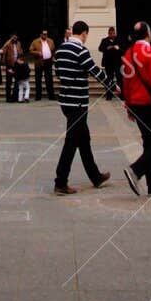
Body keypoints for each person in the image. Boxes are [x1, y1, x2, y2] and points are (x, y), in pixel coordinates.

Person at [52, 21, 112, 195]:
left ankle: (95, 176)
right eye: (87, 34)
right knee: (71, 142)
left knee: (83, 139)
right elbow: (94, 70)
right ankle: (60, 181)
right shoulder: (81, 50)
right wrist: (112, 85)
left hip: (65, 100)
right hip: (78, 102)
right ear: (84, 33)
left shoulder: (61, 49)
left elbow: (57, 71)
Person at [119, 22, 151, 196]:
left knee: (149, 144)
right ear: (148, 35)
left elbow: (125, 83)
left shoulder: (129, 53)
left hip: (136, 105)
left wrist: (128, 105)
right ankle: (136, 170)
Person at [98, 26, 124, 100]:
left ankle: (122, 95)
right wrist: (106, 48)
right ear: (108, 33)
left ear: (115, 33)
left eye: (113, 33)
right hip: (108, 64)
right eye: (111, 33)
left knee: (120, 78)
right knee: (109, 79)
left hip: (118, 63)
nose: (112, 35)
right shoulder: (104, 40)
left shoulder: (119, 40)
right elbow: (100, 48)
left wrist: (118, 48)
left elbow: (123, 51)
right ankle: (109, 95)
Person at [33, 30, 55, 101]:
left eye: (46, 34)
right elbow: (31, 50)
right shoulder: (35, 41)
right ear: (41, 35)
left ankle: (51, 96)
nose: (45, 36)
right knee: (38, 79)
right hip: (39, 62)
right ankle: (38, 96)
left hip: (48, 62)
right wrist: (37, 53)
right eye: (43, 34)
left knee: (49, 79)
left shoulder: (50, 41)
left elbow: (53, 50)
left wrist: (53, 58)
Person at [1, 35, 23, 102]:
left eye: (16, 37)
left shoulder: (18, 43)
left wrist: (21, 59)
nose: (15, 38)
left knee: (17, 81)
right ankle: (8, 97)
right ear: (11, 37)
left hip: (16, 65)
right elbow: (3, 53)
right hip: (9, 65)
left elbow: (21, 52)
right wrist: (3, 64)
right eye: (13, 37)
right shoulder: (8, 43)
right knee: (9, 82)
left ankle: (14, 97)